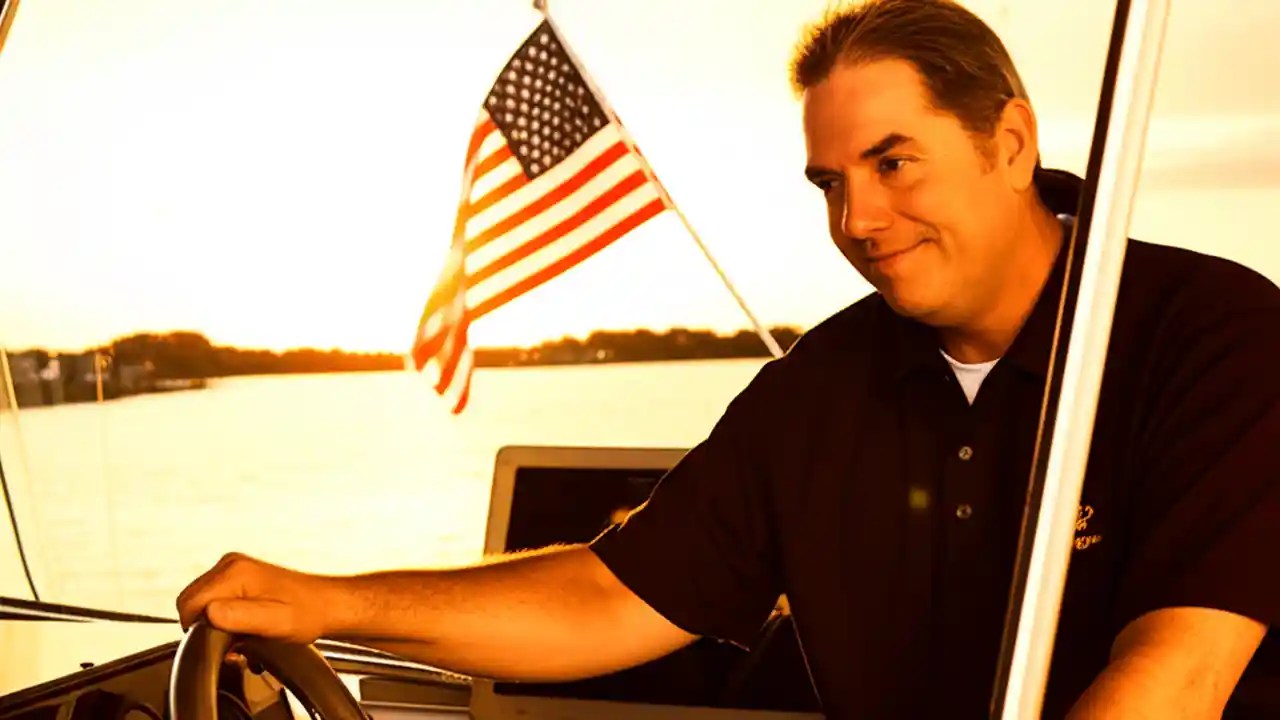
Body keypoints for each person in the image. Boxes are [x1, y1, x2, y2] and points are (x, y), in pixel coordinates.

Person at [177, 0, 1280, 717]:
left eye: (893, 163)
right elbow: (613, 596)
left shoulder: (1212, 337)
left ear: (1007, 141)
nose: (858, 219)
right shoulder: (816, 391)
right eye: (828, 183)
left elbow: (1171, 676)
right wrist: (320, 600)